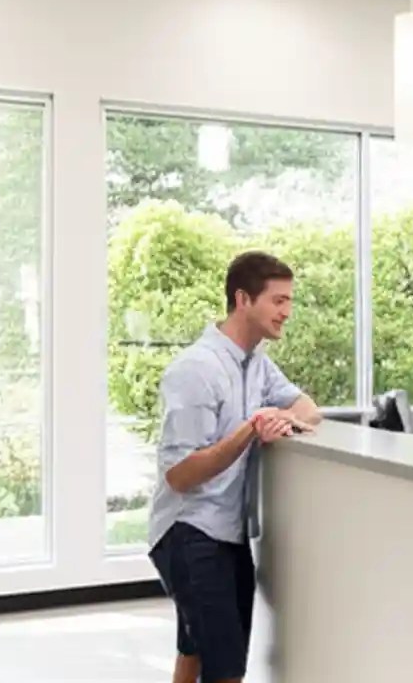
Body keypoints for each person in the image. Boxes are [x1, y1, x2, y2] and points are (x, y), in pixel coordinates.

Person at [148, 251, 322, 683]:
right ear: (243, 299)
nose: (288, 311)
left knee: (193, 651)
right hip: (189, 531)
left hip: (227, 531)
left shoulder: (256, 364)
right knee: (225, 671)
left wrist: (284, 419)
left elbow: (307, 407)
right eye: (278, 300)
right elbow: (181, 474)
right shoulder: (195, 369)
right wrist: (251, 427)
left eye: (289, 301)